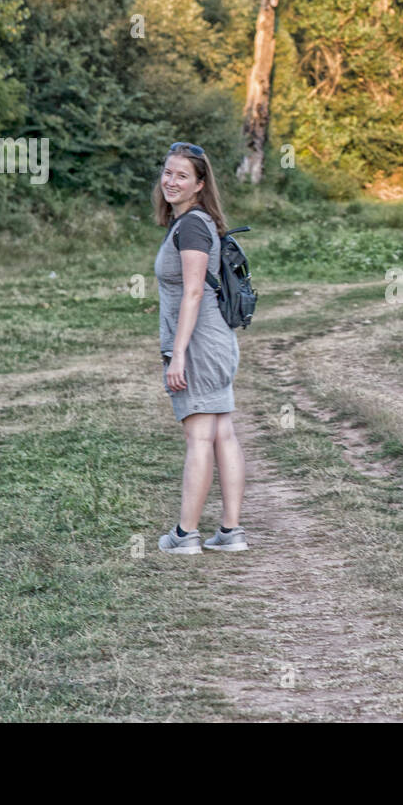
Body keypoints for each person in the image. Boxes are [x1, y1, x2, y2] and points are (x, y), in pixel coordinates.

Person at [152, 142, 248, 554]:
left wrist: (178, 353)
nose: (171, 182)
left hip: (200, 346)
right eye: (168, 173)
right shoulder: (197, 222)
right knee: (222, 432)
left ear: (200, 184)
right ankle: (230, 532)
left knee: (200, 437)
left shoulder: (192, 224)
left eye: (182, 176)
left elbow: (193, 292)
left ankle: (185, 534)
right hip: (217, 341)